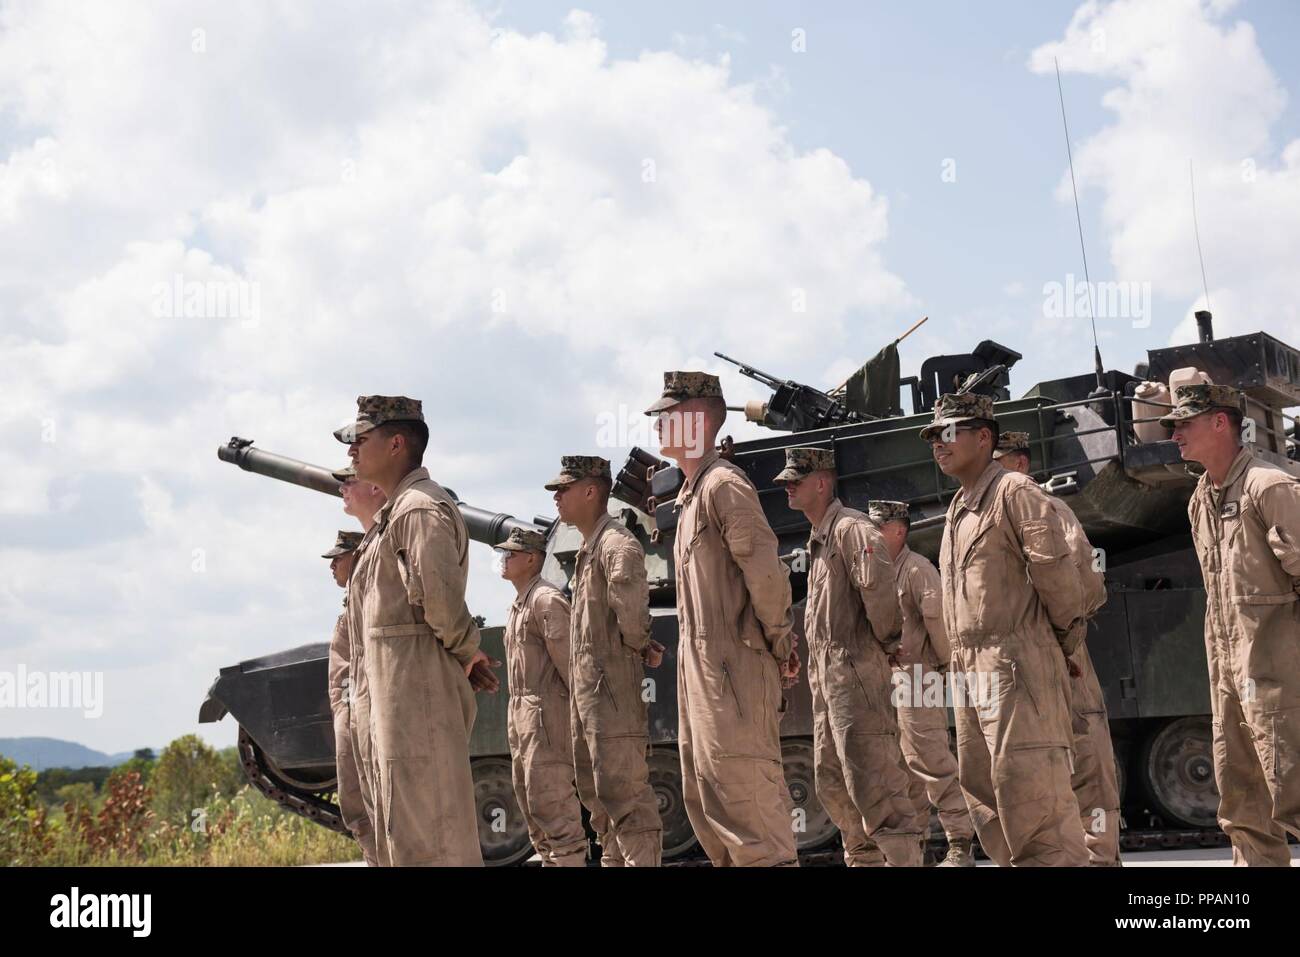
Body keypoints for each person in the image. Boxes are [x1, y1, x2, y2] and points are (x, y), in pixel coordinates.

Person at [924, 392, 1089, 866]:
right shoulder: (959, 506)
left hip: (1018, 668)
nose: (940, 443)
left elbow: (1058, 579)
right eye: (935, 436)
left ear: (983, 437)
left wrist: (1059, 647)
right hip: (972, 673)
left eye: (951, 432)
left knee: (1038, 808)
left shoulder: (1015, 493)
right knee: (988, 803)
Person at [647, 371, 799, 866]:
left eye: (666, 415)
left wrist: (780, 645)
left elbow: (767, 575)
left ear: (696, 419)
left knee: (751, 820)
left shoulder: (723, 487)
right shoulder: (691, 495)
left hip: (734, 677)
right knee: (713, 816)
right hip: (706, 681)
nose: (656, 423)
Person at [337, 394, 495, 866]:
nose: (351, 451)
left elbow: (441, 603)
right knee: (406, 842)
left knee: (433, 841)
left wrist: (469, 650)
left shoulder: (418, 511)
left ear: (396, 444)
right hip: (397, 704)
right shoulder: (396, 515)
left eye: (360, 440)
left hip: (416, 704)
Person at [1163, 383, 1300, 866]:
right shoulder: (1200, 499)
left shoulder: (1271, 488)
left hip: (1282, 679)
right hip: (1231, 680)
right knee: (1242, 807)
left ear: (1221, 422)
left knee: (1296, 796)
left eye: (1184, 423)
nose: (1174, 433)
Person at [776, 449, 924, 866]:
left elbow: (878, 591)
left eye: (796, 480)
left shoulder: (852, 530)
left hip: (856, 679)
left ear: (822, 483)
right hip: (831, 685)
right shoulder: (822, 537)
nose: (788, 486)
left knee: (878, 791)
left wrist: (890, 642)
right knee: (837, 788)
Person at [993, 431, 1122, 866]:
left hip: (1061, 650)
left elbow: (1087, 582)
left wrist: (1060, 631)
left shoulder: (1049, 507)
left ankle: (1102, 857)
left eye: (1000, 461)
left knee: (1086, 759)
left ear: (1021, 464)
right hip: (1028, 657)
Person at [547, 455, 663, 866]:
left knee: (627, 801)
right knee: (600, 803)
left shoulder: (616, 545)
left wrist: (639, 645)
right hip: (592, 698)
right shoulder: (590, 548)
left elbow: (631, 617)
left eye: (564, 489)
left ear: (592, 490)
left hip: (611, 695)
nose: (557, 497)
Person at [868, 499, 976, 867]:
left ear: (899, 530)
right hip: (890, 682)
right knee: (903, 771)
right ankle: (915, 849)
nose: (872, 535)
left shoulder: (916, 570)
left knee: (932, 763)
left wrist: (945, 665)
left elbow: (939, 624)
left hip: (918, 679)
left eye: (878, 528)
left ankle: (961, 843)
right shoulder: (880, 572)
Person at [495, 526, 588, 866]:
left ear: (532, 559)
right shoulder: (520, 603)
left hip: (545, 714)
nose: (504, 559)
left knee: (553, 806)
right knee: (532, 805)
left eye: (511, 554)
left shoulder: (546, 600)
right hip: (521, 714)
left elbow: (571, 667)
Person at [322, 528, 379, 866]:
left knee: (370, 804)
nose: (332, 566)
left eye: (338, 558)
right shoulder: (352, 605)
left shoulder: (368, 601)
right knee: (356, 805)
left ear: (357, 557)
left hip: (362, 710)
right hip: (350, 709)